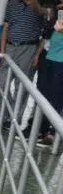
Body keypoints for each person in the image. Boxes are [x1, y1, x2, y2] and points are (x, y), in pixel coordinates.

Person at [0, 0, 49, 120]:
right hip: (9, 47)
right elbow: (6, 28)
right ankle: (3, 117)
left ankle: (14, 119)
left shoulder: (42, 7)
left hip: (29, 49)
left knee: (22, 87)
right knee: (2, 84)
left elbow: (45, 33)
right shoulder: (12, 4)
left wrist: (37, 54)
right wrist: (2, 51)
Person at [33, 14, 63, 144]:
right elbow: (46, 38)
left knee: (57, 97)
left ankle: (52, 132)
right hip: (49, 59)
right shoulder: (58, 18)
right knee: (45, 95)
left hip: (61, 63)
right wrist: (38, 55)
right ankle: (42, 129)